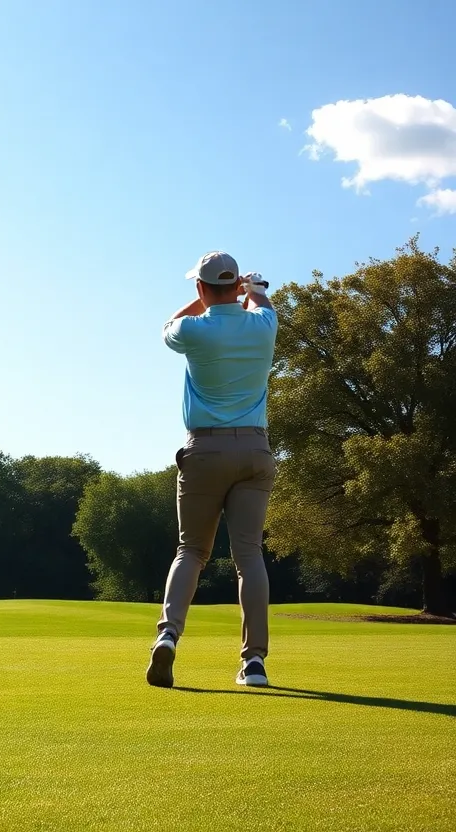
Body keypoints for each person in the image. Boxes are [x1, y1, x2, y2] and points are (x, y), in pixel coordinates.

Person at [146, 251, 278, 689]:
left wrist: (210, 298)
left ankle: (167, 636)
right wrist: (254, 290)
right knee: (249, 556)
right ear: (235, 285)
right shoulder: (263, 326)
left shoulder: (192, 329)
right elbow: (263, 306)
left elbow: (168, 326)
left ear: (201, 289)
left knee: (191, 552)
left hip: (203, 450)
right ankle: (254, 662)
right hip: (254, 452)